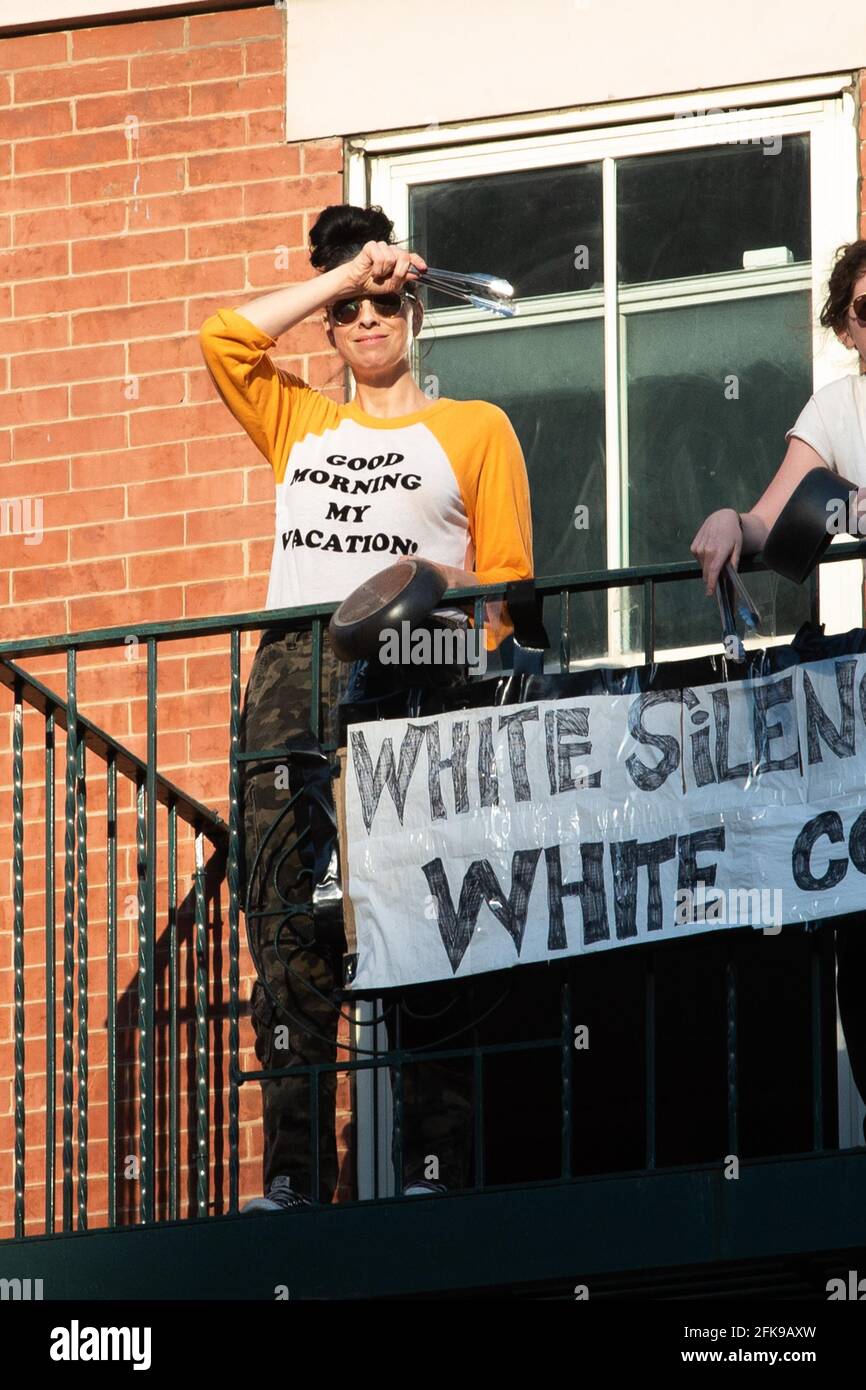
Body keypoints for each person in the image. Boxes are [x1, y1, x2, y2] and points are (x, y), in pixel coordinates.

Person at [198, 203, 534, 1210]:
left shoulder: (474, 427)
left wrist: (462, 637)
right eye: (351, 308)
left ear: (416, 310)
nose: (367, 320)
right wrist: (343, 274)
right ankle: (298, 1178)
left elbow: (509, 585)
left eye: (385, 300)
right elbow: (224, 337)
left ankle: (433, 1169)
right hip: (292, 677)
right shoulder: (301, 419)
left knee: (425, 910)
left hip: (420, 663)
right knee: (289, 921)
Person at [690, 238, 866, 1136]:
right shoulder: (839, 407)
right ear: (847, 326)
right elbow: (775, 519)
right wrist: (732, 518)